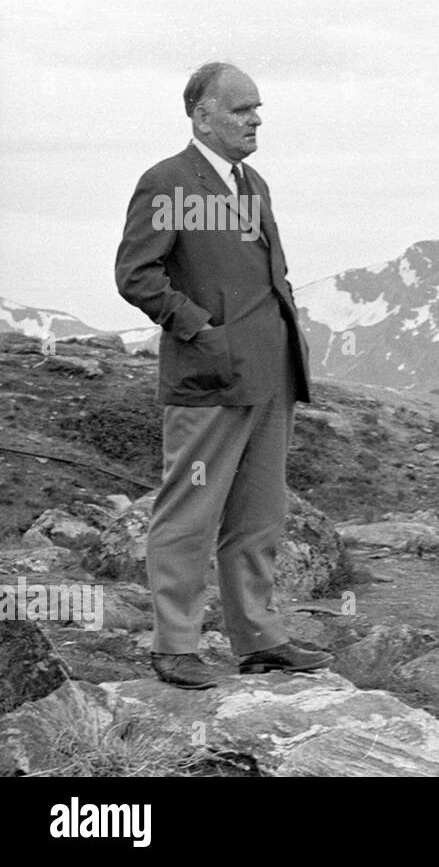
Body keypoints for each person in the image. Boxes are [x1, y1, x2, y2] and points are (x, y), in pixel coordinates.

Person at [114, 62, 332, 688]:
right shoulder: (167, 182)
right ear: (201, 114)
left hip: (270, 375)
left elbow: (270, 275)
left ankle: (259, 640)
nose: (255, 120)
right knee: (189, 512)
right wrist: (201, 329)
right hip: (209, 380)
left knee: (260, 516)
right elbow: (136, 275)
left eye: (257, 109)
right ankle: (175, 645)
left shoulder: (253, 182)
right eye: (241, 110)